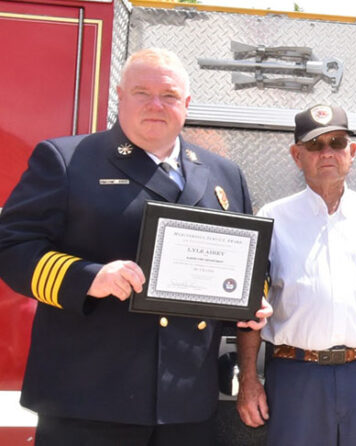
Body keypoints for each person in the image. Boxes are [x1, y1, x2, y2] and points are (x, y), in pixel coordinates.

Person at [0, 48, 271, 445]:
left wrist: (251, 301)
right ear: (120, 95)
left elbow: (253, 262)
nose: (156, 105)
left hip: (186, 404)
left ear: (187, 103)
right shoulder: (68, 159)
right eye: (143, 92)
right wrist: (89, 277)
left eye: (169, 95)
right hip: (88, 400)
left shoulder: (224, 173)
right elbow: (11, 247)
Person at [235, 103, 356, 445]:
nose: (326, 152)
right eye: (314, 145)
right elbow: (250, 311)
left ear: (352, 152)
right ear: (297, 156)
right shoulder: (273, 218)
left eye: (336, 143)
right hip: (297, 377)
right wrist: (248, 379)